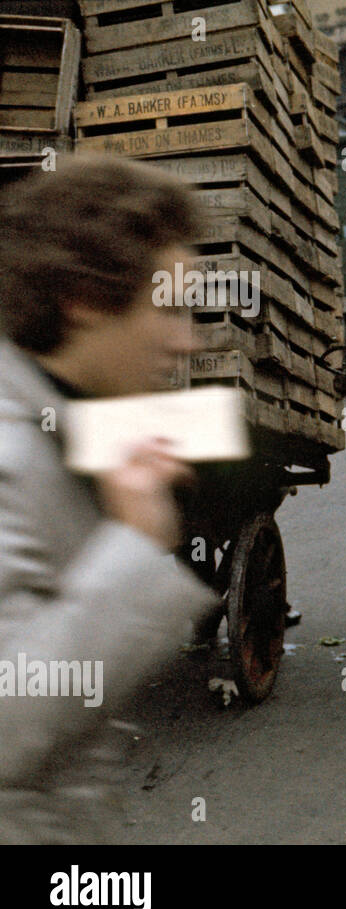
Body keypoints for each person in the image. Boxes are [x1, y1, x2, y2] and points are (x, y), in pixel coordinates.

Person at [0, 155, 218, 843]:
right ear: (86, 299)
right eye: (170, 307)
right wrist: (132, 546)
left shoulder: (57, 423)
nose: (188, 339)